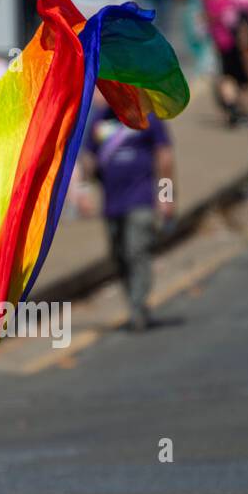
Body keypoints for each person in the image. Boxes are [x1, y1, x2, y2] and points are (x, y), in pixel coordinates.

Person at [79, 97, 176, 331]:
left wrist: (166, 197)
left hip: (141, 200)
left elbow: (164, 158)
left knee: (136, 251)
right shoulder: (99, 120)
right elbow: (88, 158)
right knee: (119, 256)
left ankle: (138, 306)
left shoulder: (146, 117)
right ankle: (135, 301)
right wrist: (83, 191)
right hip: (112, 203)